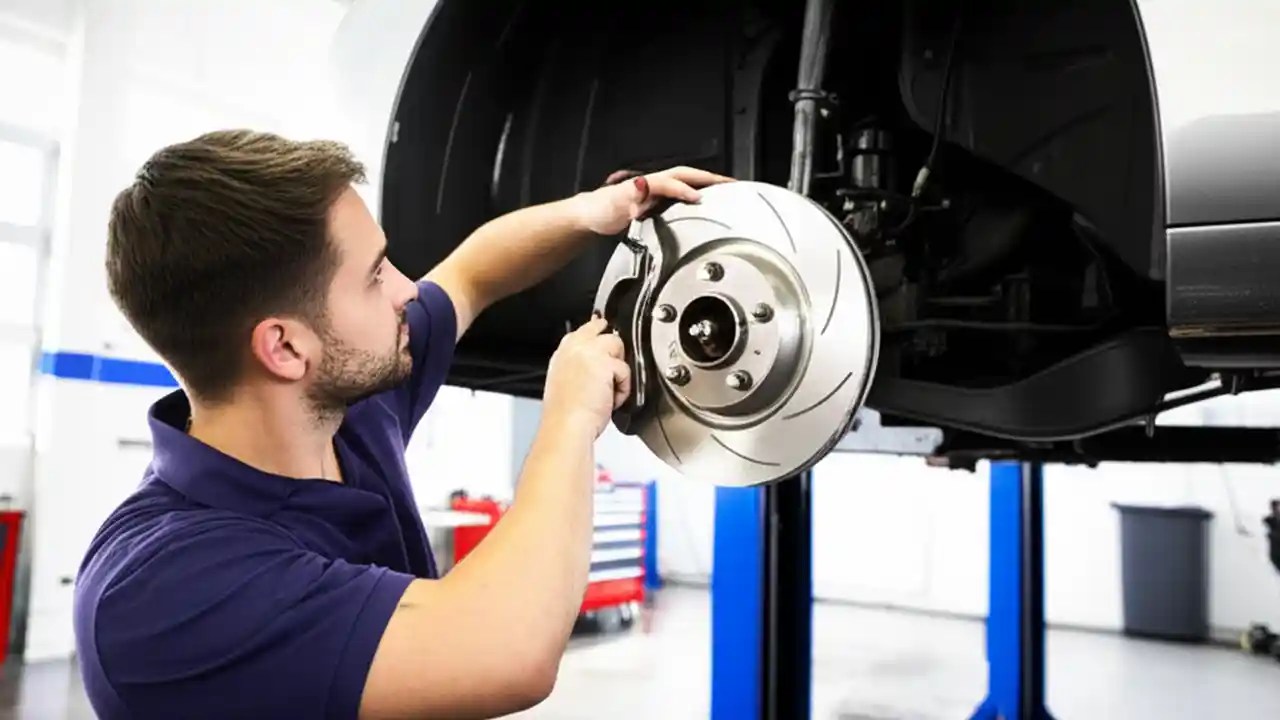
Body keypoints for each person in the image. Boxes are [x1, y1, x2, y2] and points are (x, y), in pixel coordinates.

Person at [72, 129, 732, 719]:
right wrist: (568, 415)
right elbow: (507, 650)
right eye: (374, 275)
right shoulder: (161, 593)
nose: (407, 289)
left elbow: (472, 274)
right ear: (285, 348)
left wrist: (594, 211)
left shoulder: (343, 407)